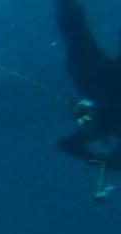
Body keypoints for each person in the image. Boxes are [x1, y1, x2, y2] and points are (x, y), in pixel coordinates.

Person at [54, 0, 121, 166]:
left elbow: (65, 144)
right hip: (93, 82)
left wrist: (104, 162)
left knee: (75, 35)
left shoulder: (109, 126)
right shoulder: (109, 127)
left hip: (95, 81)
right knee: (75, 35)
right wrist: (103, 162)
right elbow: (66, 144)